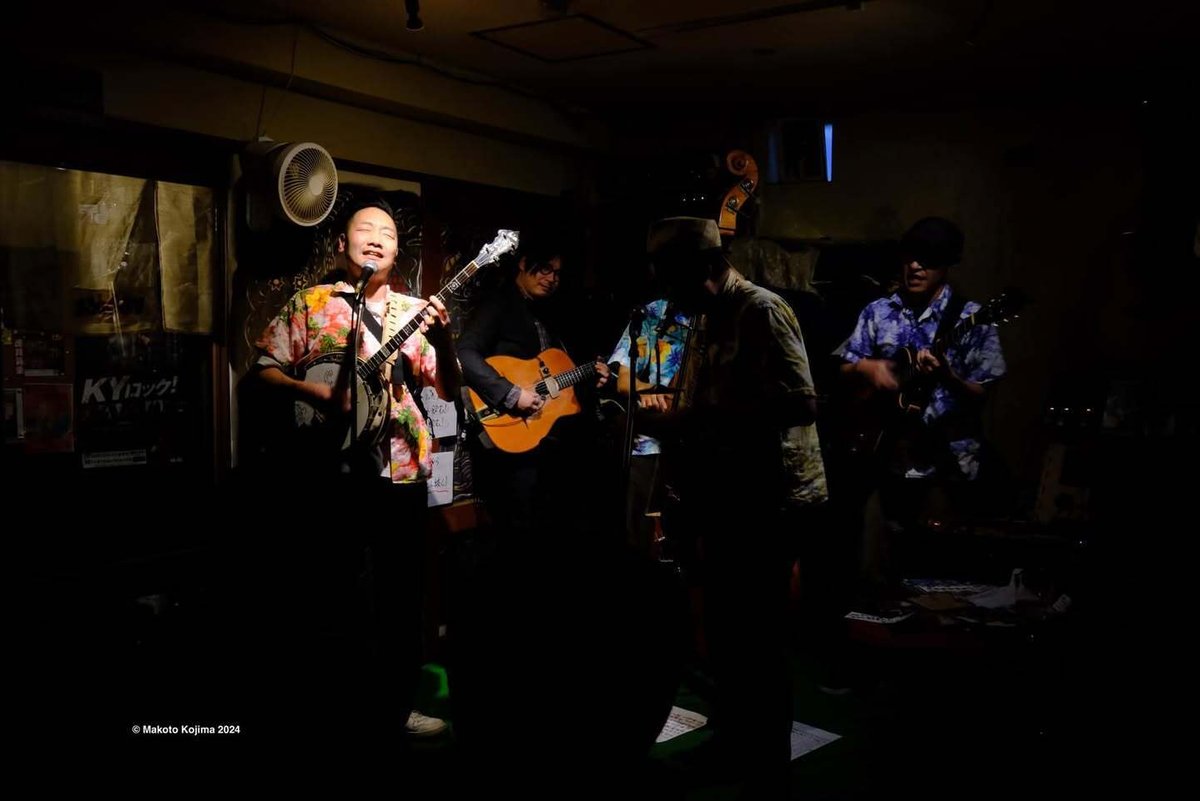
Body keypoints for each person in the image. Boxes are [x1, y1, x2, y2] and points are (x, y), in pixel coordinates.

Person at [253, 196, 460, 743]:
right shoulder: (310, 302)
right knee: (332, 589)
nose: (375, 239)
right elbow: (265, 370)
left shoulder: (415, 312)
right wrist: (312, 390)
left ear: (397, 252)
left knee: (400, 593)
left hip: (400, 468)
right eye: (364, 230)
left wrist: (442, 337)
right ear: (341, 245)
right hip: (326, 467)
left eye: (387, 234)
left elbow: (448, 389)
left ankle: (395, 708)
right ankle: (334, 710)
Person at [643, 216, 829, 795]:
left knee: (759, 640)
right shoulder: (705, 316)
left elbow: (801, 402)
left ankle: (763, 762)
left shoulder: (761, 310)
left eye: (672, 280)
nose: (667, 295)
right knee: (726, 637)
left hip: (771, 497)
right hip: (727, 496)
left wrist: (699, 421)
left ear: (704, 268)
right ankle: (733, 747)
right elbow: (703, 402)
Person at [833, 216, 1007, 576]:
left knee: (939, 569)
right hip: (886, 459)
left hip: (948, 466)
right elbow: (844, 369)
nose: (915, 266)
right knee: (878, 568)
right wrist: (870, 369)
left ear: (946, 265)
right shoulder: (878, 312)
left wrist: (948, 375)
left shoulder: (972, 318)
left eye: (927, 259)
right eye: (910, 257)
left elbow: (982, 395)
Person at [457, 233, 610, 541]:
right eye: (544, 269)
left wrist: (594, 375)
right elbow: (465, 353)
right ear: (524, 264)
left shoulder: (552, 313)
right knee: (517, 528)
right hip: (510, 435)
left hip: (549, 438)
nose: (552, 279)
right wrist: (511, 394)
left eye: (557, 273)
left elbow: (559, 374)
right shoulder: (499, 304)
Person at [607, 296, 692, 553]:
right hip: (650, 442)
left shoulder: (723, 313)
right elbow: (623, 381)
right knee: (640, 537)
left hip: (697, 441)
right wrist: (653, 391)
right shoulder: (654, 312)